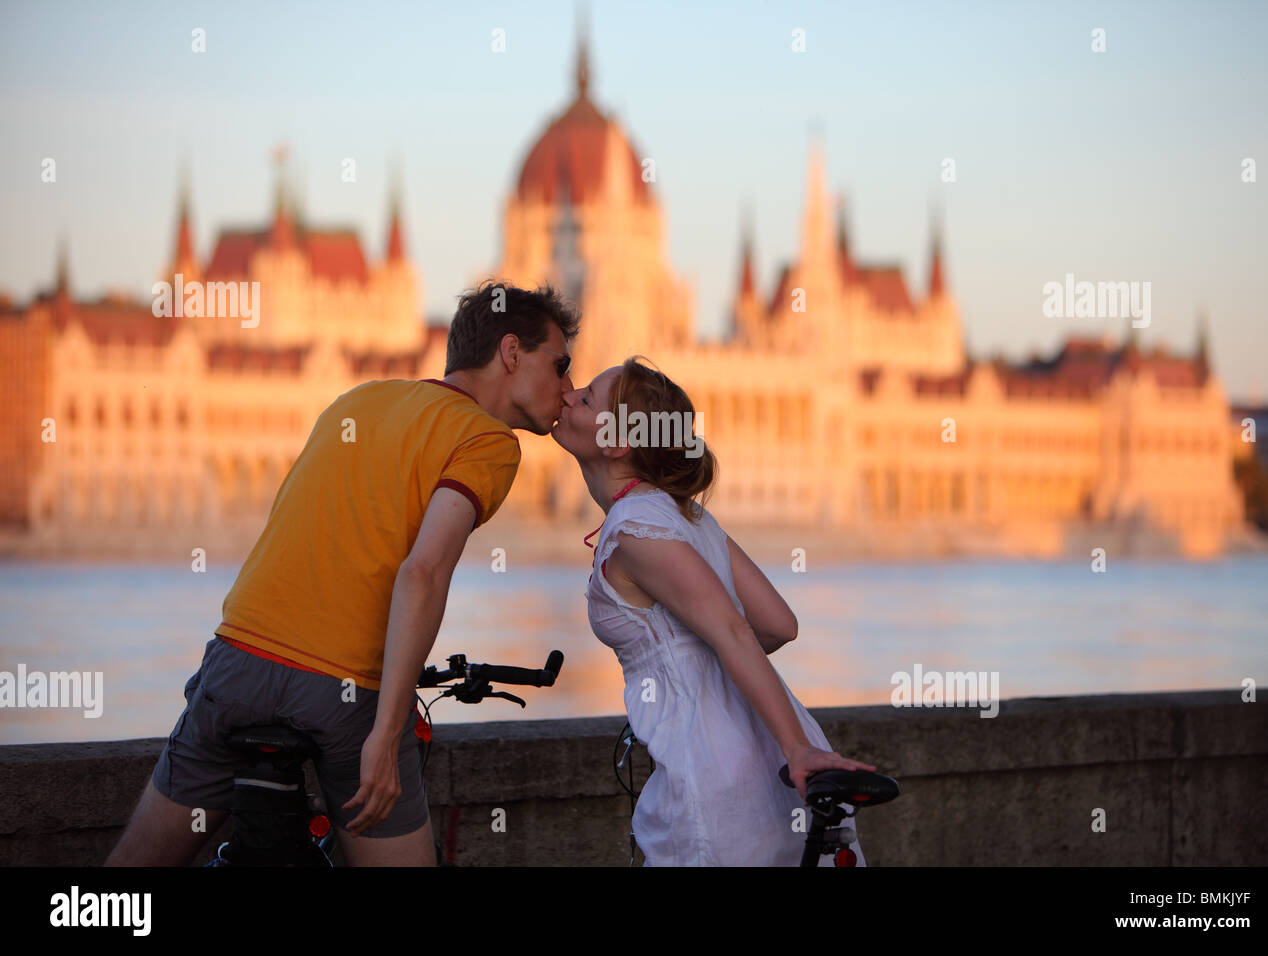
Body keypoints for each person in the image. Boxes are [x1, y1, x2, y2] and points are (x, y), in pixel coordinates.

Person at [106, 281, 580, 866]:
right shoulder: (488, 440)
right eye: (559, 366)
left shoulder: (357, 401)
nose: (569, 387)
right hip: (341, 687)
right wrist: (385, 733)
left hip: (233, 659)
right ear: (511, 353)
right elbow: (422, 574)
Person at [551, 356, 875, 865]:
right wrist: (705, 661)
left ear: (616, 441)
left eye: (587, 397)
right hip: (768, 757)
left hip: (714, 775)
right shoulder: (688, 515)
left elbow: (733, 630)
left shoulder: (635, 528)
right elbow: (777, 624)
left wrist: (797, 750)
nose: (568, 395)